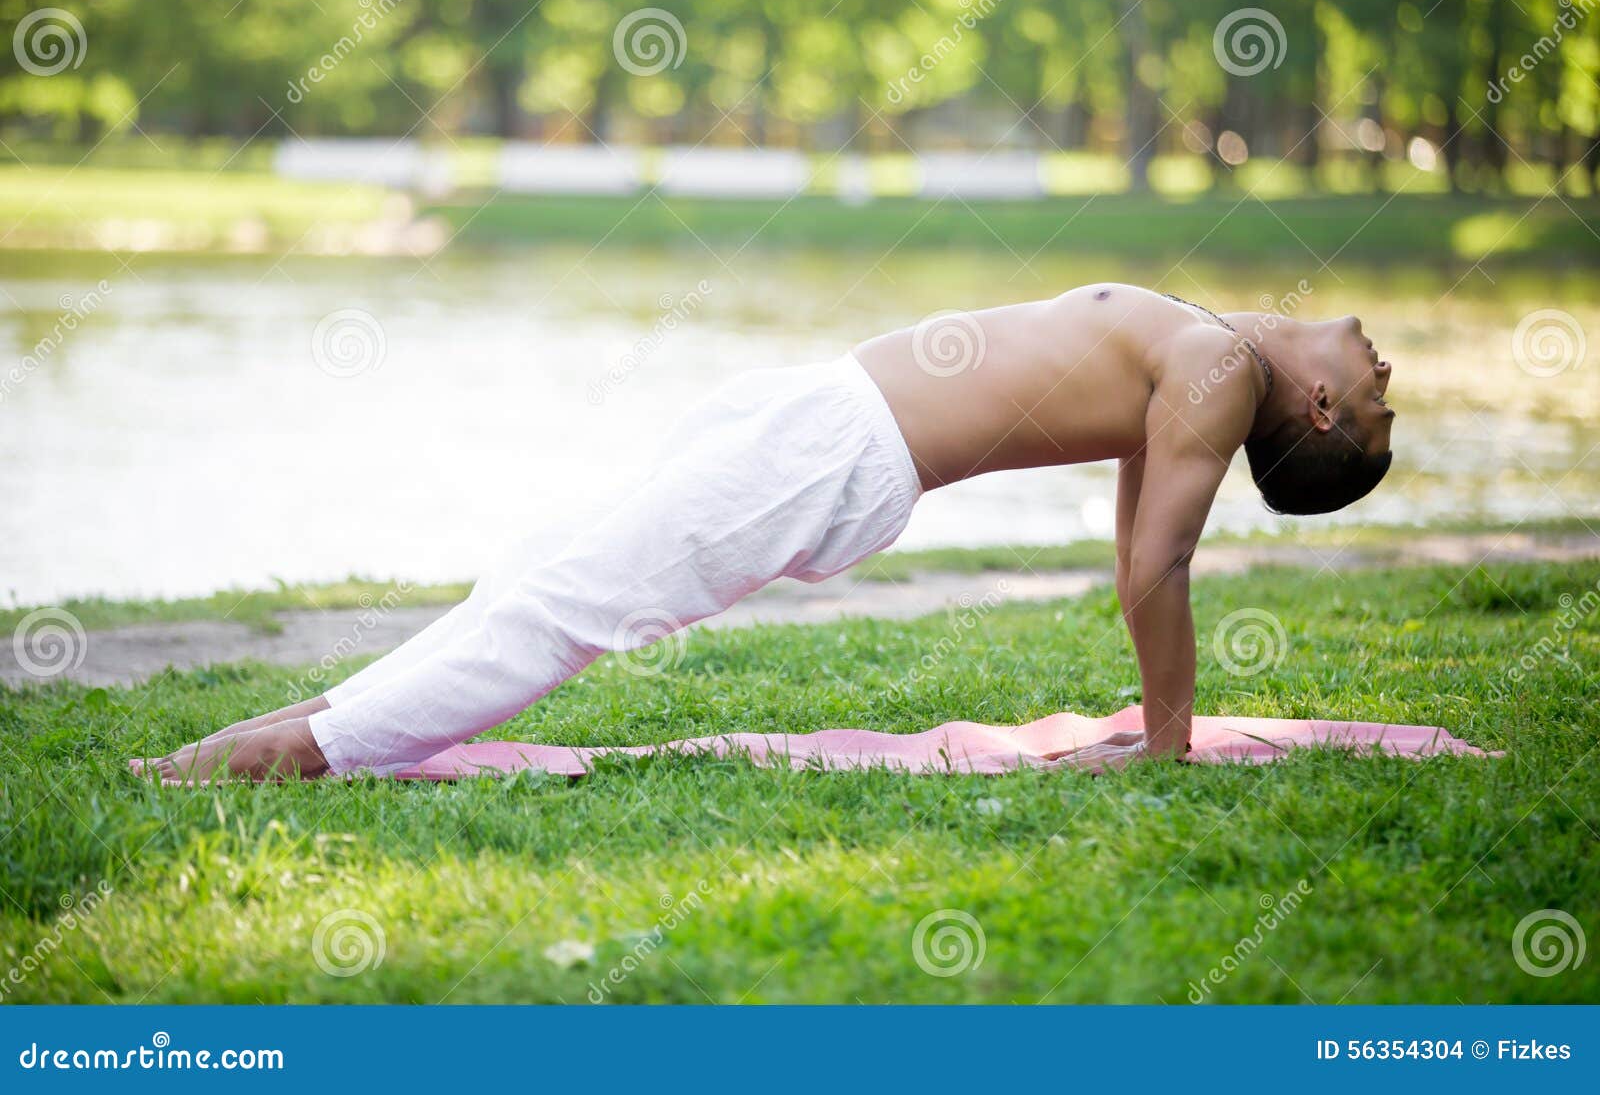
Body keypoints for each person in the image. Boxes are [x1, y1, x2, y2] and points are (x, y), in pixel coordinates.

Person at [139, 283, 1394, 783]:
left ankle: (270, 760)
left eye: (1379, 399)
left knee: (558, 610)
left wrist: (1163, 740)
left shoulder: (1222, 367)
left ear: (1319, 407)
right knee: (540, 573)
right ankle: (297, 733)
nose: (1387, 369)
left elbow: (1156, 563)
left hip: (832, 455)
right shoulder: (1205, 363)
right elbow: (1141, 543)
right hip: (818, 414)